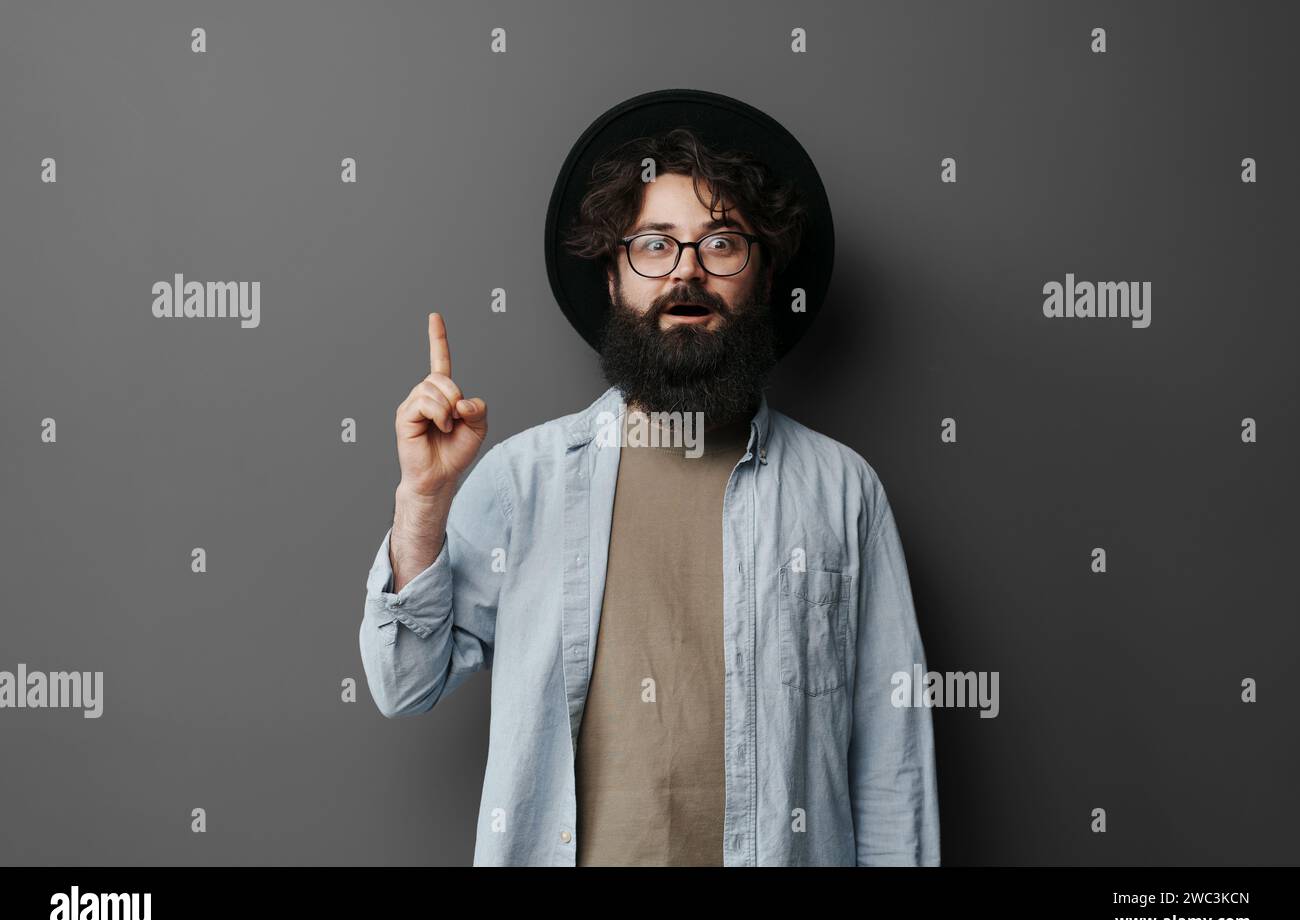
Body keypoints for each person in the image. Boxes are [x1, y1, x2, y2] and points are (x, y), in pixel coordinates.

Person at [358, 90, 939, 866]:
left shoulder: (842, 492)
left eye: (722, 243)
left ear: (764, 278)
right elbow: (403, 683)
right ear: (613, 279)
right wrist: (423, 501)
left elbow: (892, 762)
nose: (686, 274)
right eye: (655, 245)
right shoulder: (521, 483)